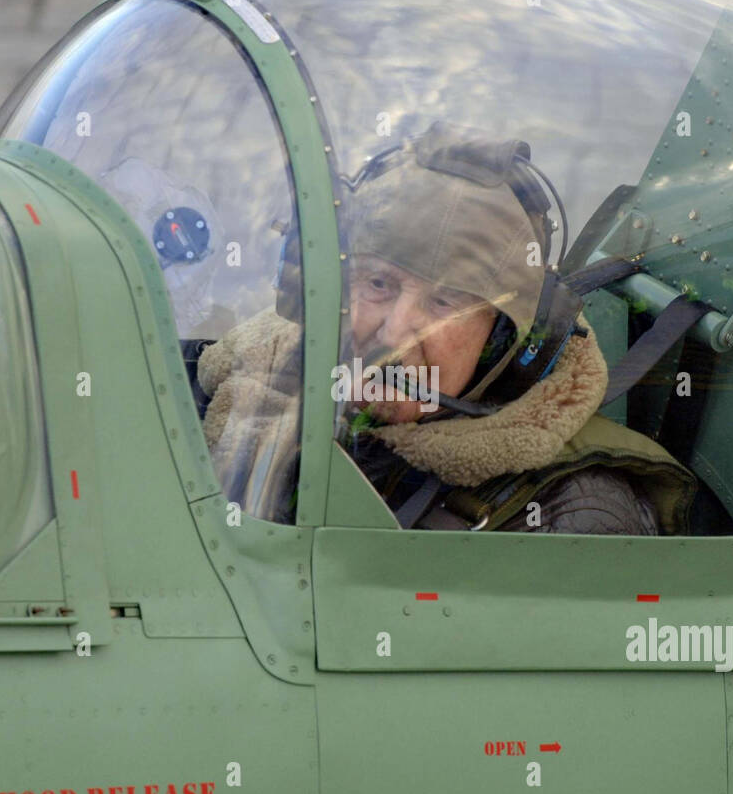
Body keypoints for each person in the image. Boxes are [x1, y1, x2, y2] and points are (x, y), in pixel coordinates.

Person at [199, 121, 697, 534]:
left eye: (444, 302)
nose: (395, 332)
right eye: (377, 283)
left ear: (511, 344)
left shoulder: (575, 514)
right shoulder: (253, 389)